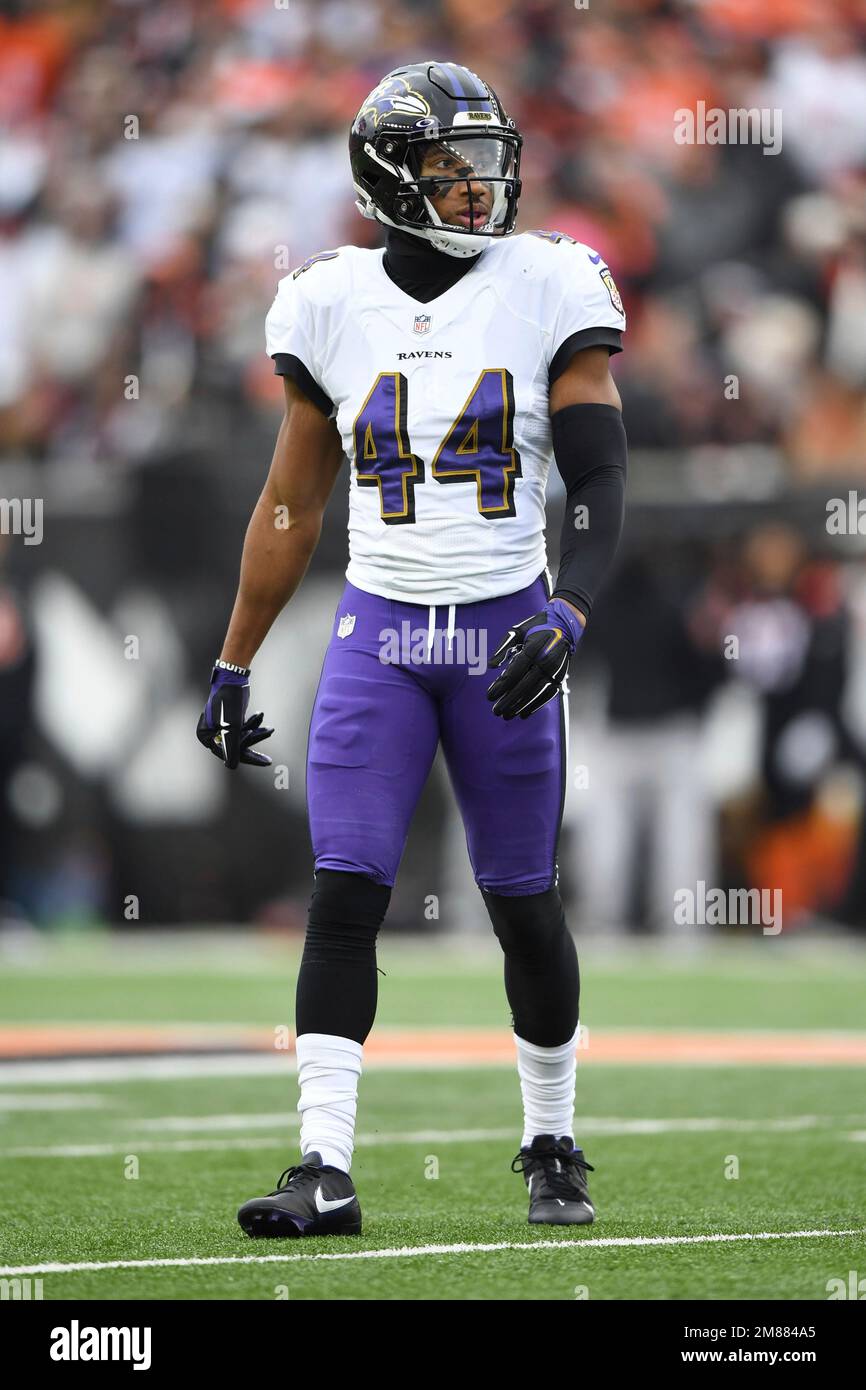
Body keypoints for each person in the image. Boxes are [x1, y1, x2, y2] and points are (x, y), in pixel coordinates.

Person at [197, 61, 628, 1236]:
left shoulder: (547, 281)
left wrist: (569, 609)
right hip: (378, 636)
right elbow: (289, 506)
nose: (478, 185)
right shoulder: (330, 298)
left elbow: (596, 477)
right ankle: (321, 1166)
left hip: (504, 628)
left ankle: (550, 1137)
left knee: (522, 904)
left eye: (486, 162)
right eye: (449, 166)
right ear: (388, 178)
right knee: (343, 892)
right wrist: (233, 660)